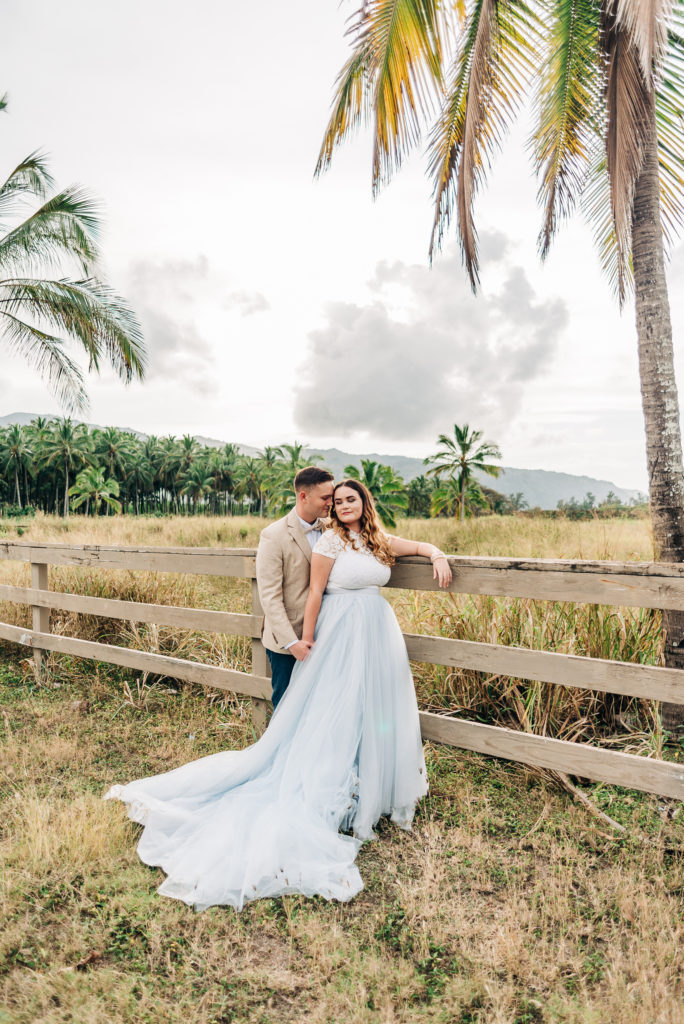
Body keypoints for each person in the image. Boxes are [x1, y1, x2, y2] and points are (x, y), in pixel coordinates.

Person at [104, 479, 452, 911]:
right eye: (336, 500)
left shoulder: (379, 539)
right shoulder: (329, 540)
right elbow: (316, 594)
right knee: (332, 712)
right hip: (339, 634)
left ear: (364, 502)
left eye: (349, 499)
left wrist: (436, 554)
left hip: (377, 634)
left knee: (374, 708)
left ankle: (372, 783)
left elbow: (415, 545)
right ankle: (334, 784)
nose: (342, 505)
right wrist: (305, 642)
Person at [255, 466, 335, 709]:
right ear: (303, 496)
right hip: (287, 642)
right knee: (286, 705)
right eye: (325, 497)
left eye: (332, 496)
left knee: (321, 703)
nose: (331, 503)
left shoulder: (333, 528)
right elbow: (269, 597)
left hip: (327, 633)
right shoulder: (273, 535)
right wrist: (292, 643)